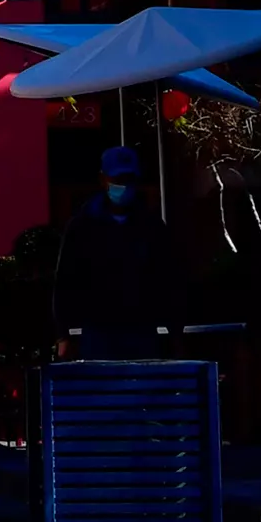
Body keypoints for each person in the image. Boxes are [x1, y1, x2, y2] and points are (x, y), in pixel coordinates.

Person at [54, 146, 181, 361]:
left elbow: (169, 278)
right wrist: (63, 334)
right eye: (118, 178)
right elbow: (65, 281)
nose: (124, 185)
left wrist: (175, 329)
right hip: (98, 332)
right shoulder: (82, 226)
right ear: (103, 179)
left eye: (129, 179)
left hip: (142, 331)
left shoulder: (152, 226)